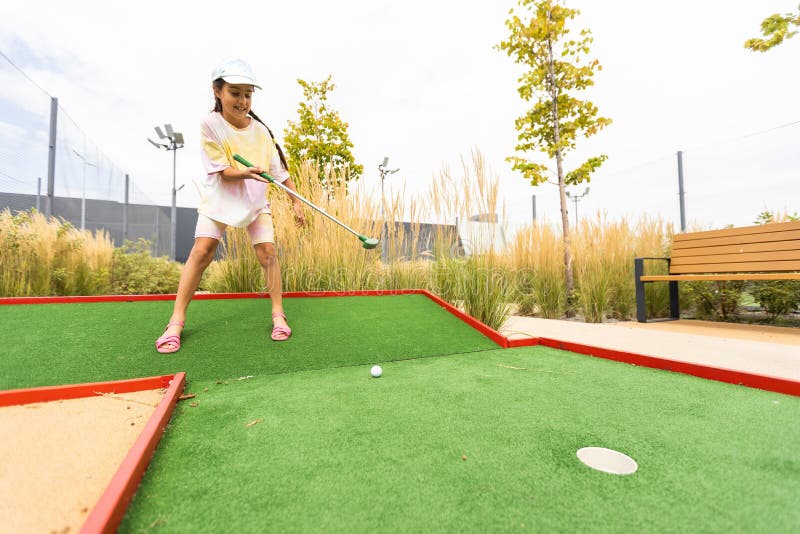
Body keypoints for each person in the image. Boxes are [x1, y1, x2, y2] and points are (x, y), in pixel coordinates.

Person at [156, 58, 305, 354]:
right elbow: (222, 170)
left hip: (254, 201)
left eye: (248, 94)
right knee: (201, 251)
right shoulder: (210, 124)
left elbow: (280, 172)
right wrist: (246, 172)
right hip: (221, 198)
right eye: (235, 93)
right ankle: (175, 322)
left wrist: (295, 202)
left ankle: (279, 315)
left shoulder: (262, 132)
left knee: (268, 253)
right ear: (217, 91)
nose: (242, 101)